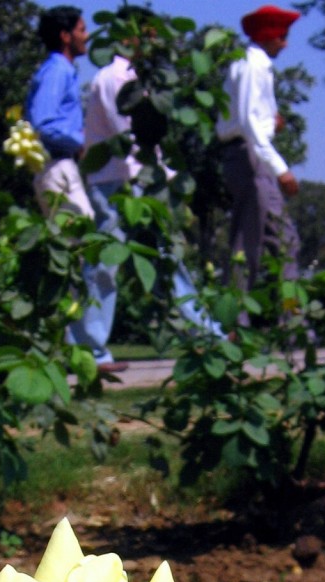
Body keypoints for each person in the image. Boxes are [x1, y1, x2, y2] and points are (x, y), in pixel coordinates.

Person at [84, 5, 223, 340]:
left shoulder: (133, 78)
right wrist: (165, 176)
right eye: (150, 34)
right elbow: (132, 137)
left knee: (166, 255)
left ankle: (204, 332)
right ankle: (92, 345)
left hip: (131, 179)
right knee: (107, 264)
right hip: (119, 180)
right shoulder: (117, 79)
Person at [25, 5, 126, 371]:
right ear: (66, 35)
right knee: (86, 252)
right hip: (58, 166)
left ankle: (78, 348)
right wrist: (79, 139)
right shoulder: (58, 71)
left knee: (77, 255)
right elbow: (42, 121)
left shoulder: (61, 70)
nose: (87, 36)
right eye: (82, 29)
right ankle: (88, 352)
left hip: (61, 167)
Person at [216, 4, 301, 292]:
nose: (285, 43)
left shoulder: (246, 64)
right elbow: (250, 122)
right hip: (251, 158)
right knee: (250, 245)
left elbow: (248, 116)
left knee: (277, 241)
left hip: (245, 154)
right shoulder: (254, 67)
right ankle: (239, 323)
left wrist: (271, 121)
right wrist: (281, 170)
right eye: (282, 36)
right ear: (267, 36)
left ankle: (287, 321)